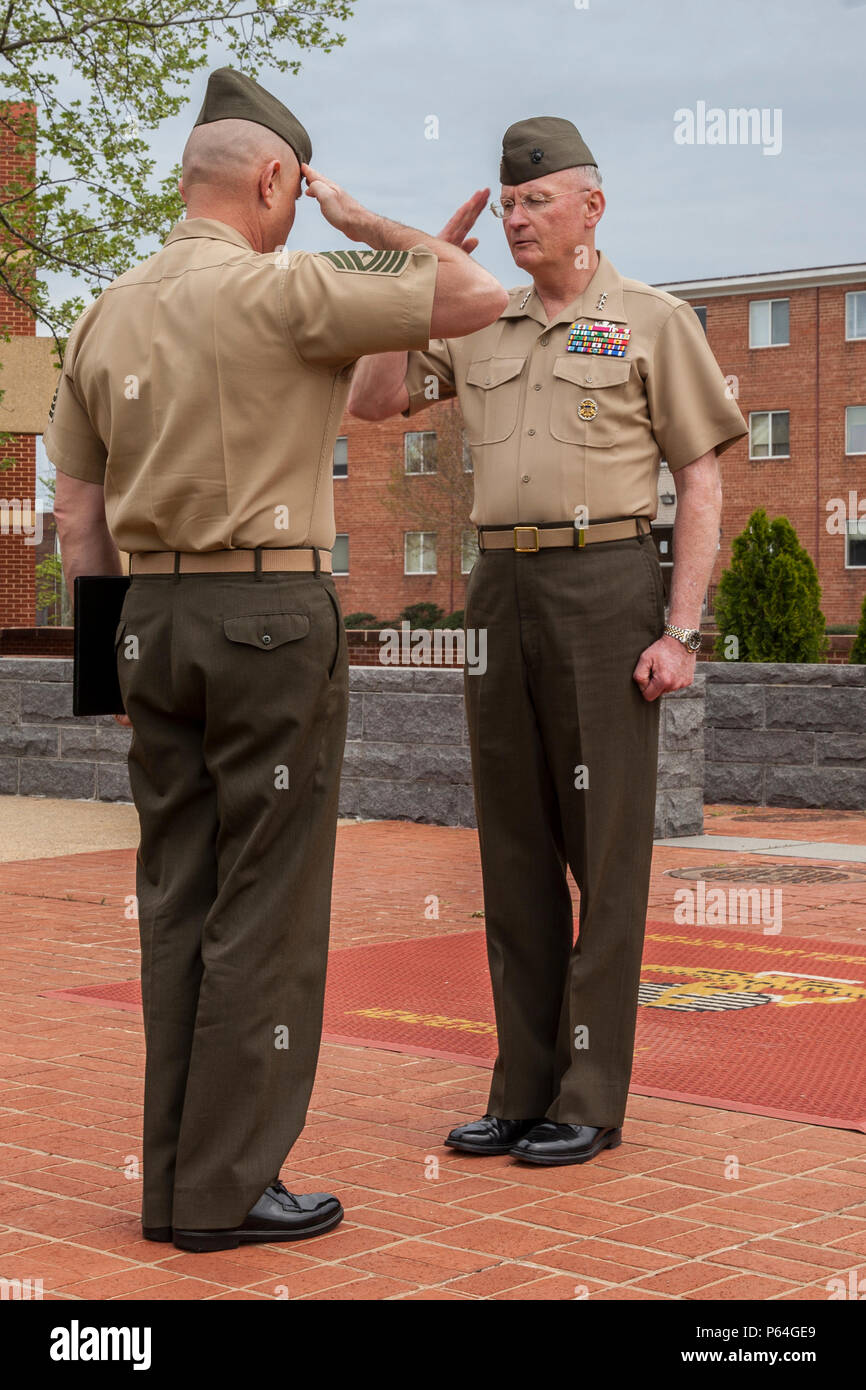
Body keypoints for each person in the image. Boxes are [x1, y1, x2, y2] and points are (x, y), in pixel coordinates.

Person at [46, 66, 506, 1250]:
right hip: (268, 624)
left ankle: (174, 1181)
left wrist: (108, 677)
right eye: (297, 198)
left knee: (177, 900)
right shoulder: (296, 282)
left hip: (148, 624)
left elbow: (79, 522)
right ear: (271, 178)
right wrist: (368, 229)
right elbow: (479, 291)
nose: (302, 218)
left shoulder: (104, 313)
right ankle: (228, 1188)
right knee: (268, 908)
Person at [348, 116, 747, 1167]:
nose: (516, 217)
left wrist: (679, 627)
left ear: (590, 208)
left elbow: (700, 477)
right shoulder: (478, 319)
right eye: (506, 202)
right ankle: (519, 1088)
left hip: (608, 582)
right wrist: (411, 287)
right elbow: (374, 400)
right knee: (512, 850)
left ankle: (587, 1094)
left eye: (535, 201)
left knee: (604, 853)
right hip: (498, 590)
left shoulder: (651, 321)